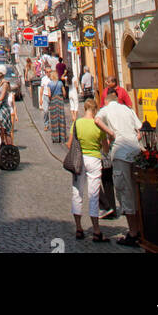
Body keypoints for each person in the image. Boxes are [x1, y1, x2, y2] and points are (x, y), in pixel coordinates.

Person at [95, 86, 144, 248]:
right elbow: (140, 130)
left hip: (121, 153)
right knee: (138, 191)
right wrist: (132, 137)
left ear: (106, 100)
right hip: (135, 151)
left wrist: (112, 133)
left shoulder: (106, 109)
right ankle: (141, 230)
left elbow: (96, 120)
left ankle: (133, 233)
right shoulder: (128, 109)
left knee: (125, 191)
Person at [67, 97, 109, 243]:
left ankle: (78, 228)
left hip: (79, 160)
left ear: (84, 109)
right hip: (95, 160)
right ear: (95, 109)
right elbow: (106, 147)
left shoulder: (77, 123)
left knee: (77, 192)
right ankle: (96, 230)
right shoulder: (98, 125)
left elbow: (69, 144)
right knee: (93, 195)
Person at [49, 72, 69, 143]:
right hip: (60, 100)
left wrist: (51, 99)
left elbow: (49, 94)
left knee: (54, 118)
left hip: (53, 100)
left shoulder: (50, 84)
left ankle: (55, 137)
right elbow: (64, 92)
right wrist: (64, 96)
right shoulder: (60, 83)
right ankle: (62, 137)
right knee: (61, 117)